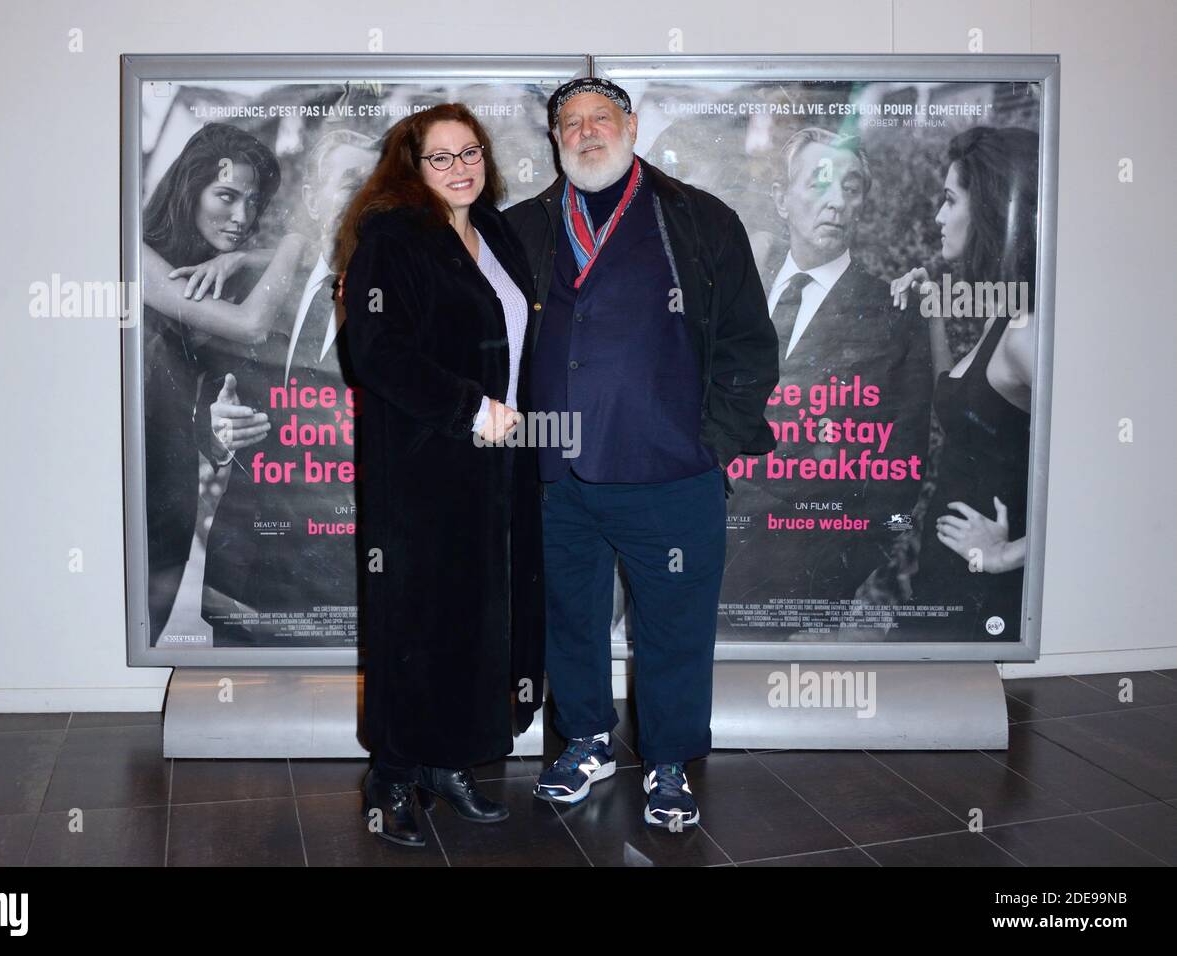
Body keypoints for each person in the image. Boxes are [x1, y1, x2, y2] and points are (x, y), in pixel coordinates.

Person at [503, 76, 778, 830]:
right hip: (556, 474)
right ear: (554, 138)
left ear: (631, 125)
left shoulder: (697, 218)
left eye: (600, 118)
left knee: (674, 626)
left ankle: (669, 761)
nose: (585, 132)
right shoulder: (521, 226)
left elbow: (750, 345)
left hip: (671, 474)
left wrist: (712, 442)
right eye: (570, 123)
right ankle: (585, 740)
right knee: (569, 620)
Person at [336, 103, 545, 847]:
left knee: (477, 621)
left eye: (471, 153)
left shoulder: (497, 234)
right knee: (415, 624)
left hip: (498, 467)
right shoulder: (392, 242)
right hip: (424, 470)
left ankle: (447, 760)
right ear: (411, 168)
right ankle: (391, 778)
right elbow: (376, 353)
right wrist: (468, 408)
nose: (461, 168)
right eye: (441, 157)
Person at [719, 128, 933, 640]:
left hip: (799, 585)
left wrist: (826, 587)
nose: (837, 201)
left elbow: (899, 471)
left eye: (852, 187)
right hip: (700, 558)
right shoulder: (734, 287)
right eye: (819, 184)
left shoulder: (894, 313)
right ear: (781, 199)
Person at [196, 129, 377, 645]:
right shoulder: (242, 289)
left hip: (361, 580)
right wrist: (215, 431)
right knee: (241, 720)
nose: (367, 195)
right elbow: (203, 404)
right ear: (313, 199)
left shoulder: (418, 301)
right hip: (250, 578)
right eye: (350, 182)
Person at [138, 122, 309, 644]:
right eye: (226, 196)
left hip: (174, 481)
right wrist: (295, 241)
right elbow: (251, 324)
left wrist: (215, 428)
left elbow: (208, 423)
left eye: (252, 202)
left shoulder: (214, 278)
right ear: (191, 189)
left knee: (149, 623)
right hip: (129, 473)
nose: (242, 217)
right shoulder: (135, 255)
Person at [889, 125, 1037, 641]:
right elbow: (960, 400)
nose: (938, 217)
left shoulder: (1026, 333)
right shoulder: (1007, 315)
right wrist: (932, 312)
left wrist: (1008, 554)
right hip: (946, 573)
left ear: (990, 209)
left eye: (950, 201)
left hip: (982, 592)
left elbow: (1093, 479)